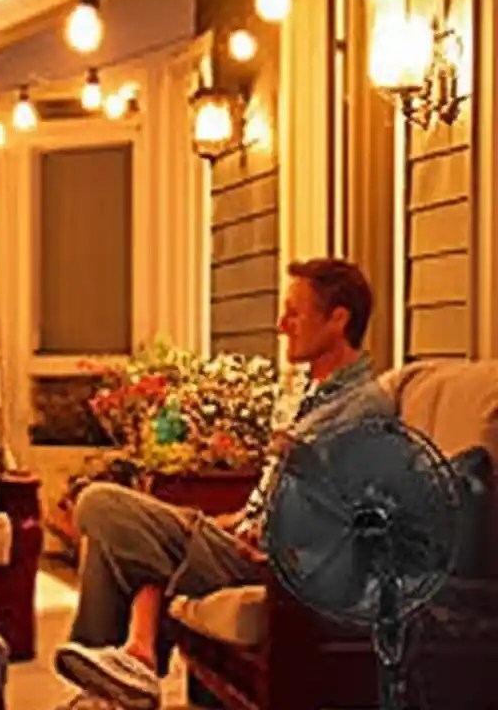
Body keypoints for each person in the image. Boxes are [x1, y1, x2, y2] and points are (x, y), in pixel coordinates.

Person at [54, 259, 395, 709]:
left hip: (276, 566)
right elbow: (273, 493)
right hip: (240, 538)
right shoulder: (310, 395)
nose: (280, 325)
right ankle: (127, 667)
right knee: (110, 536)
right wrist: (233, 521)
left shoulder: (363, 409)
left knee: (99, 506)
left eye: (294, 312)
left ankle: (125, 671)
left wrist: (283, 542)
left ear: (338, 319)